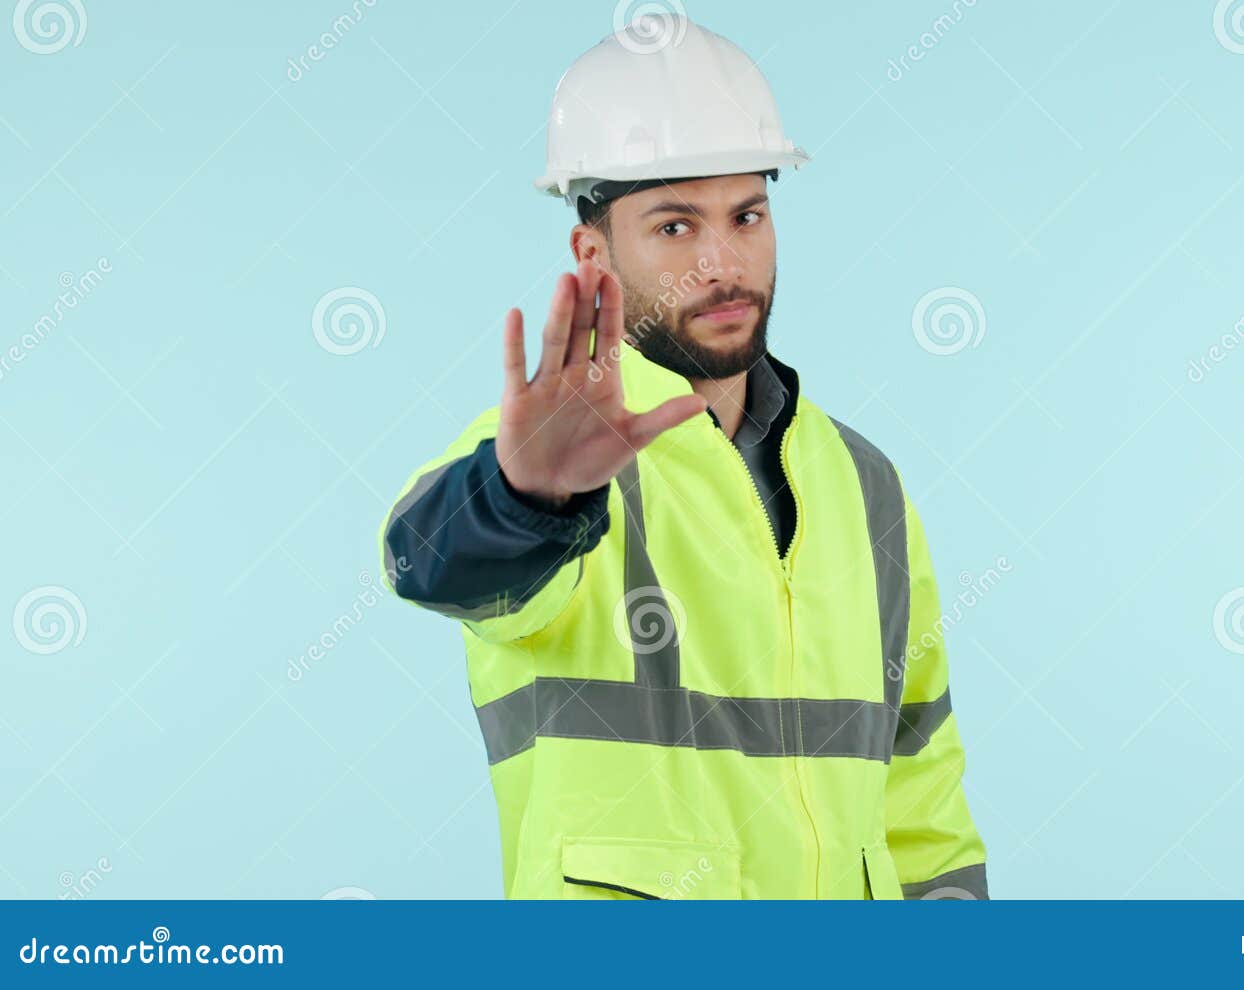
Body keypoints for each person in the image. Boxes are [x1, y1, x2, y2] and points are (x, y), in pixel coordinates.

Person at [380, 14, 987, 900]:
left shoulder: (865, 483)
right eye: (673, 227)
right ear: (594, 253)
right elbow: (427, 562)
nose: (720, 262)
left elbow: (919, 770)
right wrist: (527, 500)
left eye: (747, 215)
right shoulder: (554, 461)